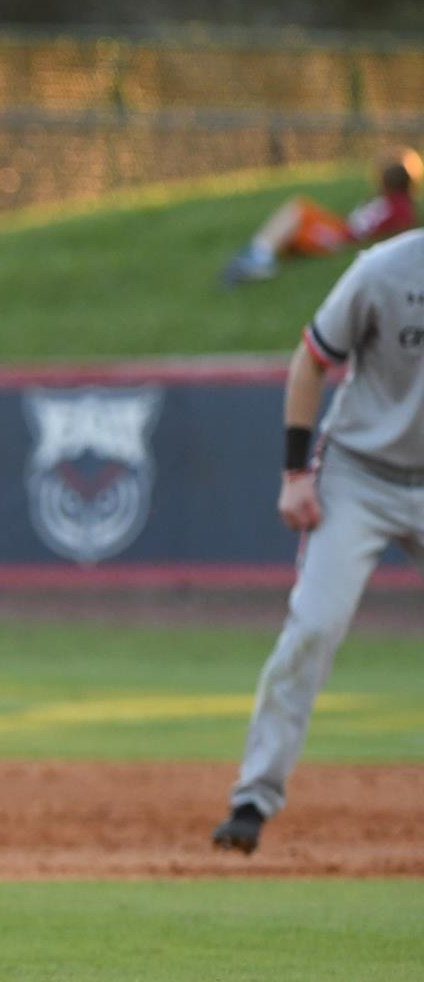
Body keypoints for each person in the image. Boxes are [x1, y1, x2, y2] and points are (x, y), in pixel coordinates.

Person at [213, 227, 424, 854]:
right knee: (314, 626)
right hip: (360, 473)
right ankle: (254, 797)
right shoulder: (383, 271)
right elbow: (311, 360)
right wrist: (295, 474)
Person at [221, 151, 419, 286]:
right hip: (343, 230)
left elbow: (397, 235)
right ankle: (258, 254)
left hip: (343, 238)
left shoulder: (401, 207)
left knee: (300, 211)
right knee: (300, 211)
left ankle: (258, 257)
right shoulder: (385, 200)